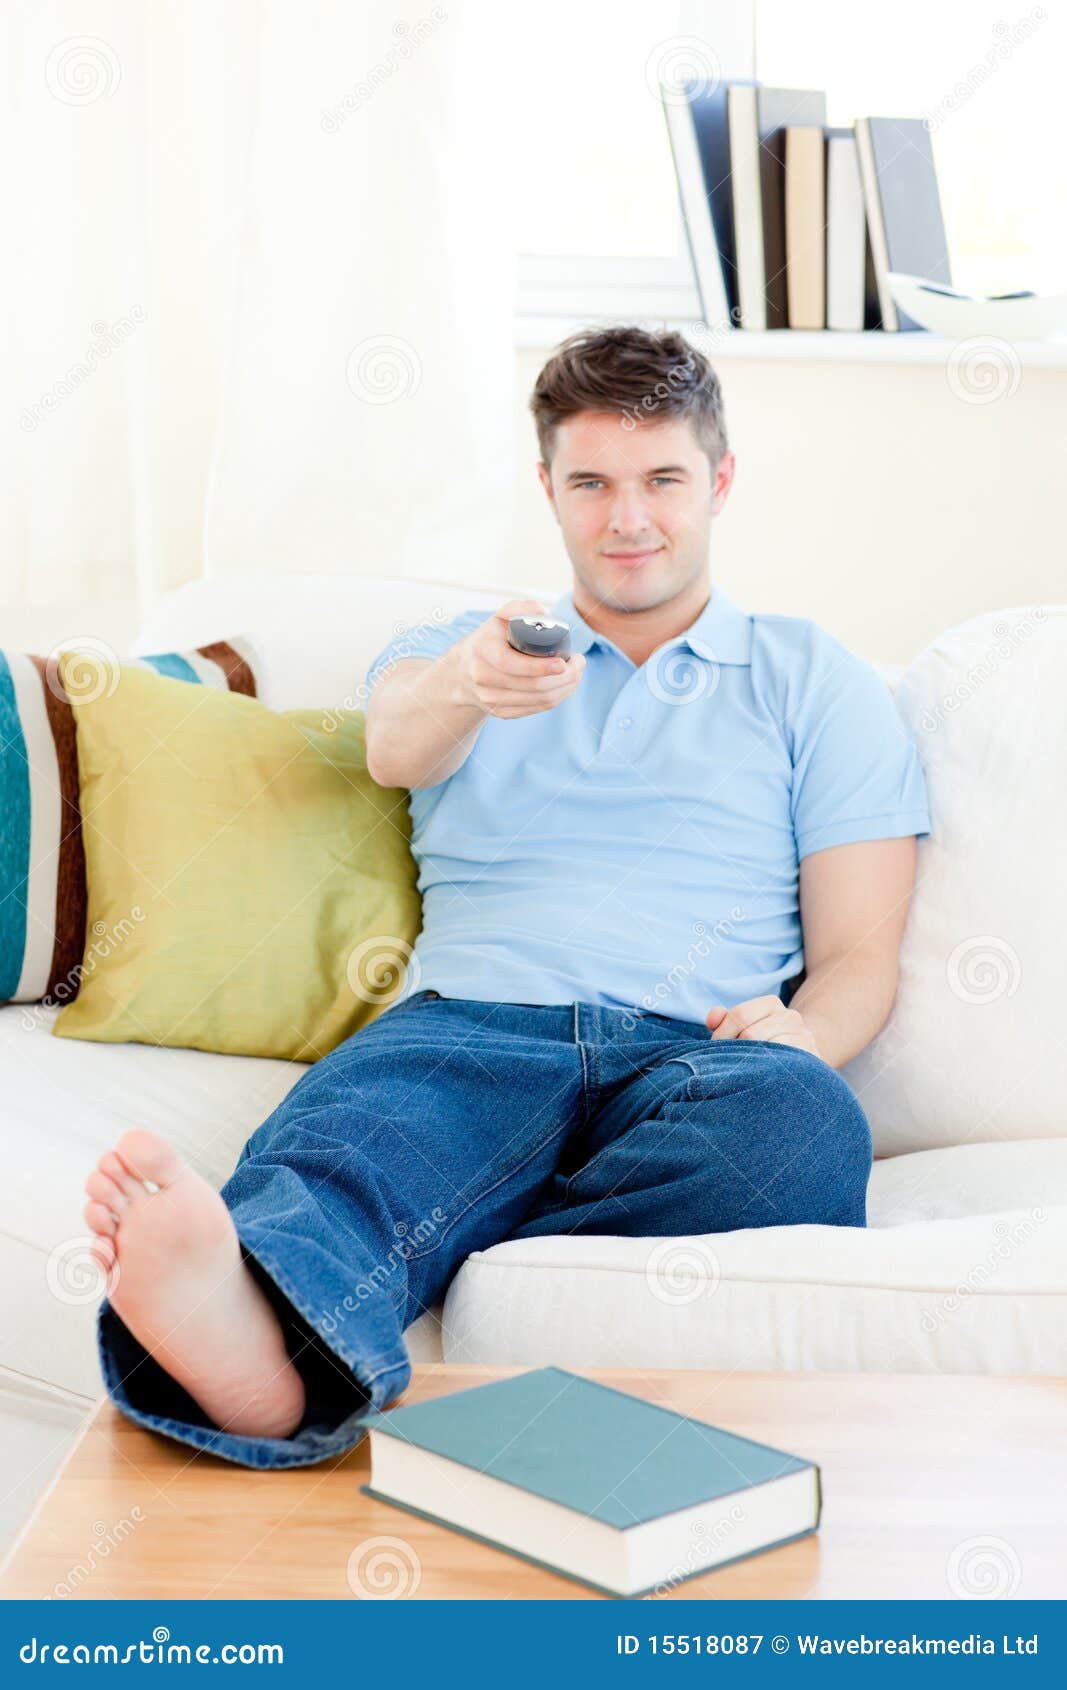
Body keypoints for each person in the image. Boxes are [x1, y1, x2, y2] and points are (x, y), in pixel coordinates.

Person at [83, 326, 929, 1466]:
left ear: (717, 481)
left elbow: (859, 954)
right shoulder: (455, 654)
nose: (627, 519)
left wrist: (802, 1033)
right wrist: (468, 685)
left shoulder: (812, 678)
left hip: (699, 1054)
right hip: (470, 1028)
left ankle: (370, 1290)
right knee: (342, 1148)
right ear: (548, 489)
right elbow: (393, 746)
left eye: (661, 480)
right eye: (590, 483)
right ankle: (259, 1351)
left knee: (803, 1121)